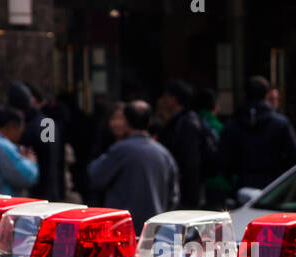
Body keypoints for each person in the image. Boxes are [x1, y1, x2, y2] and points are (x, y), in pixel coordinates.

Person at [86, 100, 178, 230]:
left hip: (122, 230)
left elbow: (95, 176)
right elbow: (173, 197)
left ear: (126, 122)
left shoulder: (120, 150)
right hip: (154, 231)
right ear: (149, 122)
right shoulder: (164, 154)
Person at [220, 75, 296, 192]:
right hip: (273, 185)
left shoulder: (233, 123)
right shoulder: (280, 123)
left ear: (245, 95)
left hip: (242, 183)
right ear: (267, 95)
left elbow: (223, 158)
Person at [157, 80, 207, 208]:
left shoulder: (187, 123)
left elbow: (191, 161)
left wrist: (190, 194)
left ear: (174, 99)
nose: (163, 100)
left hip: (186, 187)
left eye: (166, 97)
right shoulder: (180, 120)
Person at [0, 107, 38, 197]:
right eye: (20, 132)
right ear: (11, 126)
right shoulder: (3, 146)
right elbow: (28, 176)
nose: (20, 137)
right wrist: (30, 161)